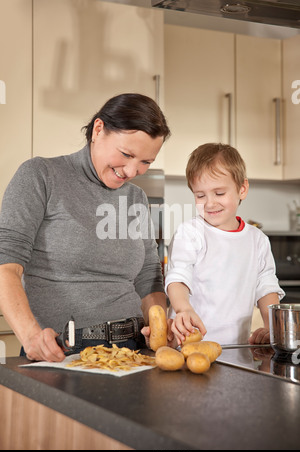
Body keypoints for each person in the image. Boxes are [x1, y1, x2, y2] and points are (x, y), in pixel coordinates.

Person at [0, 93, 172, 362]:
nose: (131, 171)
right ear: (98, 130)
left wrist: (157, 330)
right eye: (126, 154)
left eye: (145, 162)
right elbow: (6, 264)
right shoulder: (41, 176)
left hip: (136, 349)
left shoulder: (136, 198)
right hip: (63, 349)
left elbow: (148, 275)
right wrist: (30, 335)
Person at [165, 143, 285, 346]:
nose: (210, 203)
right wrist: (183, 309)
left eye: (219, 193)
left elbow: (266, 287)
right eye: (200, 195)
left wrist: (271, 328)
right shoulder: (191, 232)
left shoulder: (257, 240)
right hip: (190, 346)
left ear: (242, 189)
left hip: (237, 350)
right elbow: (178, 277)